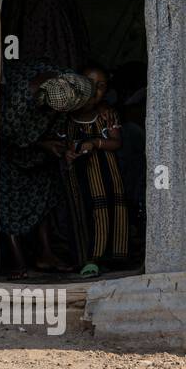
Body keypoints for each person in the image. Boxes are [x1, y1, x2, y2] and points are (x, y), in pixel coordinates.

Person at [0, 62, 94, 278]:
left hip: (39, 154)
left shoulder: (64, 79)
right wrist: (43, 144)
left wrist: (56, 142)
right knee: (7, 206)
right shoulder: (17, 103)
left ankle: (46, 254)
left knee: (45, 199)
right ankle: (19, 263)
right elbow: (3, 136)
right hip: (11, 154)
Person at [53, 65, 131, 277]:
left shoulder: (107, 115)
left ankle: (107, 258)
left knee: (106, 211)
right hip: (77, 178)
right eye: (88, 84)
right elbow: (58, 144)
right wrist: (68, 153)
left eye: (101, 86)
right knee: (80, 214)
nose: (94, 91)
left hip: (106, 176)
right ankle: (85, 259)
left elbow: (116, 143)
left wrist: (94, 143)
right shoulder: (65, 117)